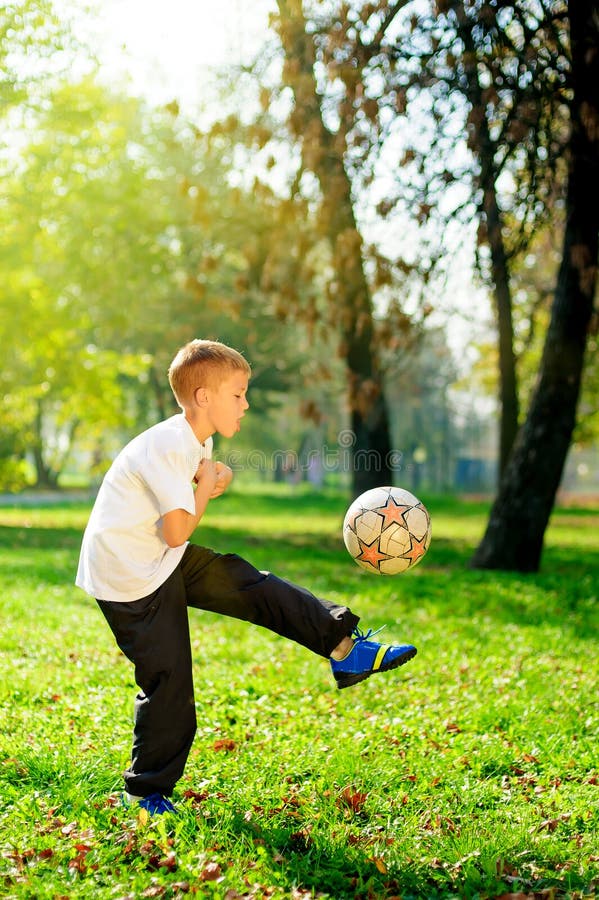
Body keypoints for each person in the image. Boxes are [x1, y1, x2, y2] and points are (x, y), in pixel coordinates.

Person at [76, 339, 417, 815]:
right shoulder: (172, 443)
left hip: (153, 556)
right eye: (238, 394)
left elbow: (191, 492)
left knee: (248, 583)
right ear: (204, 398)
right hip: (130, 577)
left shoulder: (196, 438)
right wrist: (206, 486)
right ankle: (144, 791)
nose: (246, 403)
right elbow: (177, 531)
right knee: (169, 683)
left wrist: (211, 479)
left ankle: (345, 648)